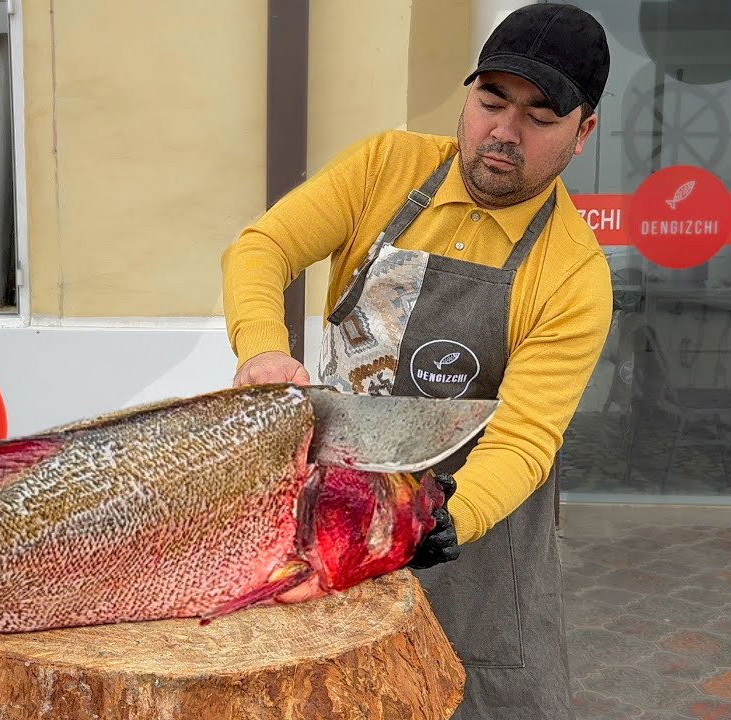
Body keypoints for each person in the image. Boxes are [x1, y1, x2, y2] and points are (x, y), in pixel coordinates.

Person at [221, 4, 612, 717]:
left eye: (539, 116)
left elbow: (525, 439)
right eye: (491, 101)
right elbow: (262, 247)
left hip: (469, 542)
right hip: (332, 517)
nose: (504, 132)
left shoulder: (573, 274)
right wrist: (264, 349)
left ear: (583, 132)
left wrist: (437, 518)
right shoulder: (385, 167)